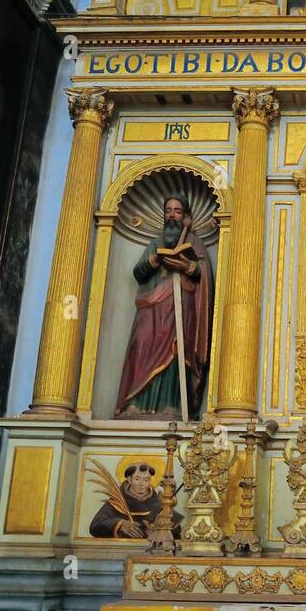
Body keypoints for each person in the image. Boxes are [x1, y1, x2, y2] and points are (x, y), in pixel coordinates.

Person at [115, 195, 213, 419]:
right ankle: (135, 403)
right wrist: (155, 260)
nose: (172, 215)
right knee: (141, 343)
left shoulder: (194, 243)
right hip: (151, 306)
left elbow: (205, 274)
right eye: (168, 210)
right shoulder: (155, 243)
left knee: (175, 349)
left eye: (177, 211)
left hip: (180, 305)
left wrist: (188, 266)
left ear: (186, 217)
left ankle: (172, 405)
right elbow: (138, 273)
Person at [89, 462, 180, 539]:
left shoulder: (158, 503)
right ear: (129, 479)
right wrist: (120, 524)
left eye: (146, 480)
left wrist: (160, 531)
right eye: (137, 479)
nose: (142, 484)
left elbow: (177, 532)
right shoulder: (117, 502)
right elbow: (95, 526)